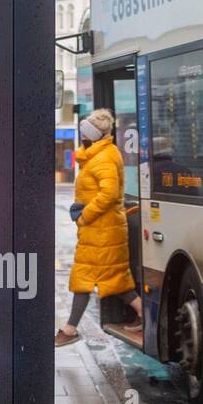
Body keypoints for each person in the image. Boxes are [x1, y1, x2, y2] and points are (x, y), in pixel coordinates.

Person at [56, 108, 142, 347]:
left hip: (102, 229)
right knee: (113, 279)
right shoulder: (97, 154)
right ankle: (145, 313)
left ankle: (70, 329)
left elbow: (109, 193)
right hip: (100, 230)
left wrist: (84, 215)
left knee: (84, 277)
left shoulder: (104, 157)